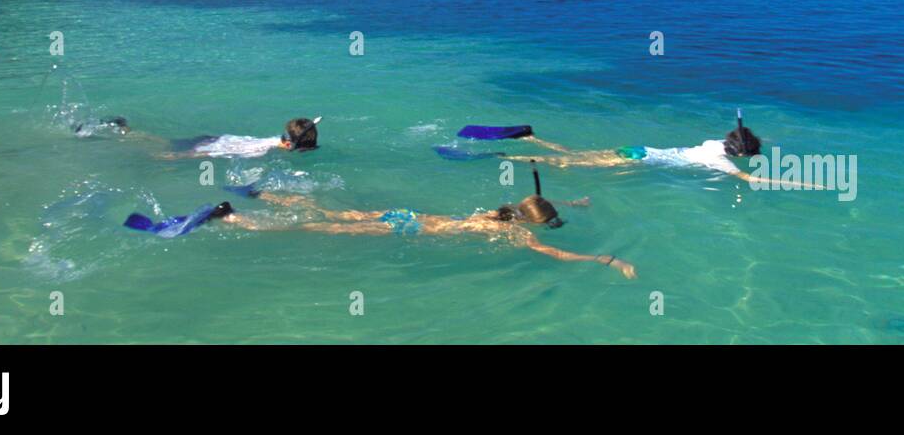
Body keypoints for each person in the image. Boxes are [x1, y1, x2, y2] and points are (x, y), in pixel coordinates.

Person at [229, 163, 636, 278]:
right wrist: (603, 259)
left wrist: (571, 203)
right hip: (410, 228)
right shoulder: (514, 231)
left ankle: (261, 193)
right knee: (325, 227)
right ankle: (240, 223)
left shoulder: (501, 212)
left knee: (333, 214)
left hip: (410, 214)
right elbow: (553, 252)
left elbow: (537, 200)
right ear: (531, 222)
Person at [481, 111, 819, 189]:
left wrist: (758, 142)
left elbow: (742, 143)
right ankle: (507, 157)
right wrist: (806, 184)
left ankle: (528, 137)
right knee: (568, 164)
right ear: (740, 152)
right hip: (638, 157)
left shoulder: (715, 144)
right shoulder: (719, 159)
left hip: (638, 149)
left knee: (574, 152)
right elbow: (749, 179)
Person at [158, 117, 320, 159]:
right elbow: (212, 153)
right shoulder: (260, 151)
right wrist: (177, 157)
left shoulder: (273, 142)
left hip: (219, 139)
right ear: (287, 144)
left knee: (167, 141)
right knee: (165, 146)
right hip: (209, 144)